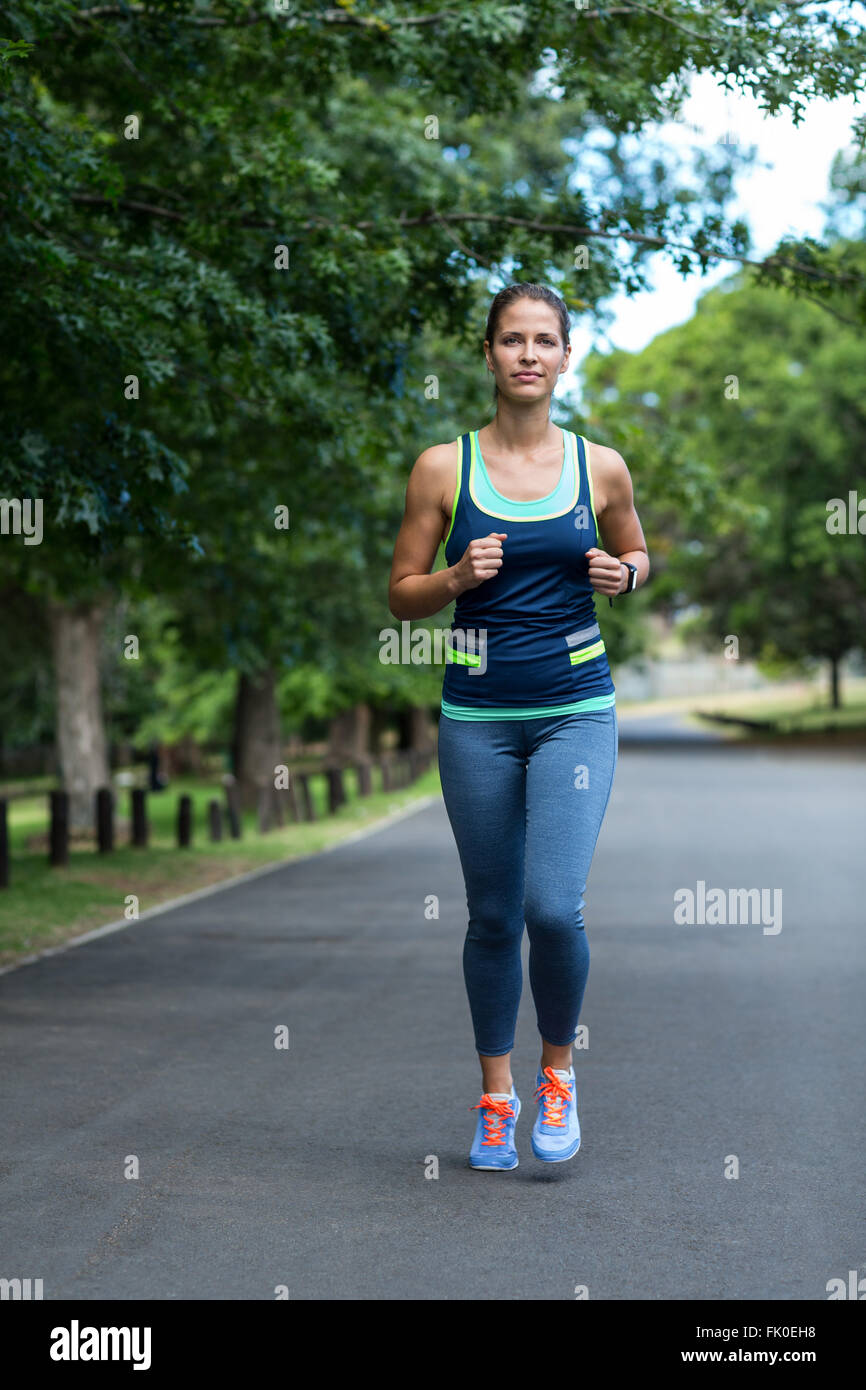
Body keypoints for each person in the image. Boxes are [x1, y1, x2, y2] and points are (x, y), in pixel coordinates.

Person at [388, 282, 649, 1169]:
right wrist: (457, 577)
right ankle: (496, 1098)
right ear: (489, 355)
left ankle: (558, 1074)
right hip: (477, 716)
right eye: (511, 340)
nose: (528, 354)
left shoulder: (599, 465)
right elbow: (401, 595)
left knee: (553, 906)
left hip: (576, 708)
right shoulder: (442, 468)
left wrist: (630, 575)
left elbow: (637, 549)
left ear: (566, 356)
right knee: (494, 915)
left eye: (544, 340)